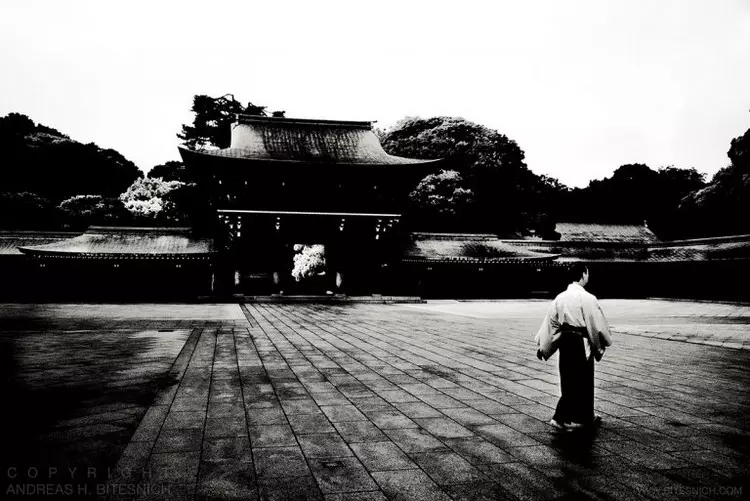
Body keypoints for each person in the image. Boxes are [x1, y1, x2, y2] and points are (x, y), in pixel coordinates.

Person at [535, 263, 612, 431]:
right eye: (587, 273)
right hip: (582, 341)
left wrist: (544, 346)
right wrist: (603, 341)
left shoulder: (560, 298)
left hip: (566, 341)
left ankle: (582, 416)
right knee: (583, 379)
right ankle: (565, 417)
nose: (588, 276)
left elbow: (551, 324)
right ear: (583, 274)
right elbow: (596, 324)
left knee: (568, 378)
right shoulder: (588, 298)